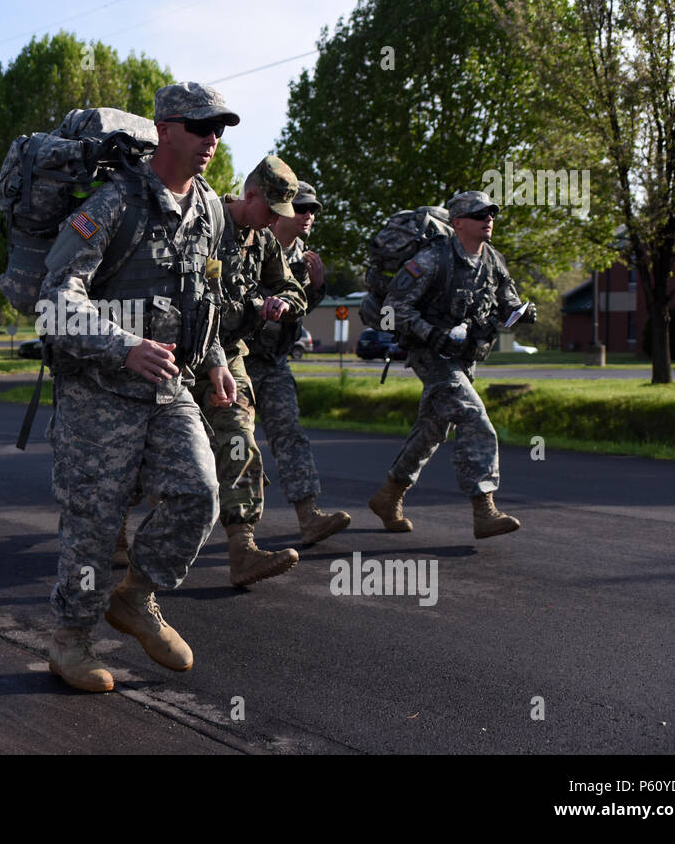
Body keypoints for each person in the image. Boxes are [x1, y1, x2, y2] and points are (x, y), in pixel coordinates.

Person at [40, 81, 238, 693]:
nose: (212, 140)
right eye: (202, 127)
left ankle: (136, 598)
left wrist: (216, 360)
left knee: (199, 494)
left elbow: (202, 295)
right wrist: (124, 346)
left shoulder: (210, 207)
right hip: (99, 392)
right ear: (167, 128)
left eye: (220, 130)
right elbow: (55, 302)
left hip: (169, 386)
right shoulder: (113, 203)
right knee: (94, 528)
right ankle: (71, 642)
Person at [367, 190, 535, 539]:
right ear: (457, 223)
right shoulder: (432, 259)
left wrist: (521, 313)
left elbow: (507, 303)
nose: (488, 219)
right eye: (479, 214)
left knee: (432, 429)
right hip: (431, 354)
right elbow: (391, 310)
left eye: (491, 213)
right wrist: (431, 334)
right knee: (474, 417)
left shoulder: (492, 260)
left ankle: (389, 495)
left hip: (464, 356)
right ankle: (484, 507)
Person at [194, 154, 307, 586]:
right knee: (154, 445)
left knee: (240, 438)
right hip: (182, 352)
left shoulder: (263, 241)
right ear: (251, 194)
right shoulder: (205, 223)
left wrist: (283, 304)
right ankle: (116, 536)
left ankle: (242, 548)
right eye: (270, 210)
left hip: (230, 353)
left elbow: (290, 288)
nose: (272, 221)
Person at [243, 181, 351, 545]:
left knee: (289, 434)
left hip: (273, 362)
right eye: (302, 208)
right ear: (283, 211)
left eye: (313, 210)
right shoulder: (250, 242)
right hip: (236, 359)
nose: (309, 216)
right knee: (227, 444)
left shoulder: (303, 256)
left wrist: (317, 287)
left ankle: (309, 517)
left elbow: (299, 310)